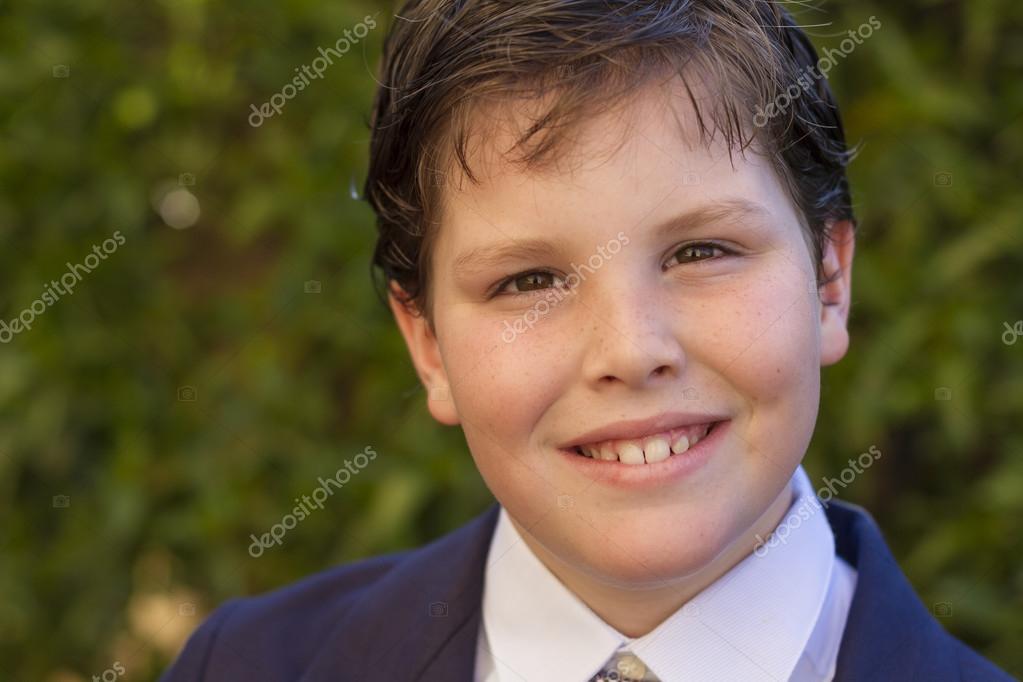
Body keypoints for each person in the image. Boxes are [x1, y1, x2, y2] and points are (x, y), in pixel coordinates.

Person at [162, 1, 1013, 680]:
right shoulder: (244, 665)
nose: (630, 349)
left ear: (827, 283)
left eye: (700, 251)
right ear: (427, 346)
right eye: (527, 281)